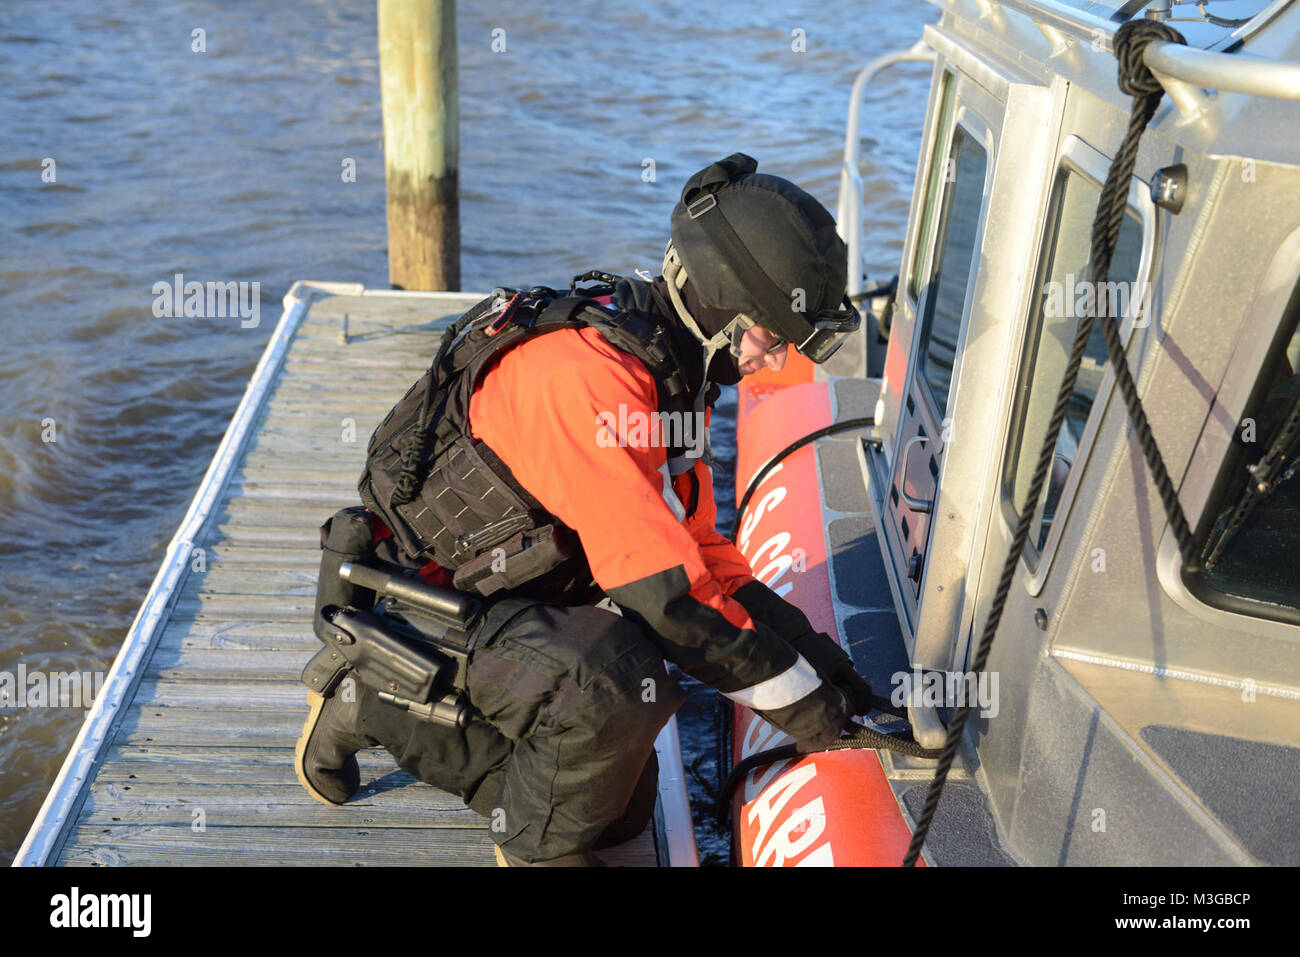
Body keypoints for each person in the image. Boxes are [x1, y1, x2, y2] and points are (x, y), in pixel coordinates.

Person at [295, 153, 876, 865]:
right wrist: (808, 714)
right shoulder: (595, 384)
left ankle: (499, 758)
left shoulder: (667, 370)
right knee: (614, 687)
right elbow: (669, 601)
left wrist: (835, 680)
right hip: (427, 601)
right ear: (726, 308)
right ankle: (379, 708)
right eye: (773, 336)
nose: (776, 359)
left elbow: (700, 557)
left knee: (624, 806)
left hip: (509, 593)